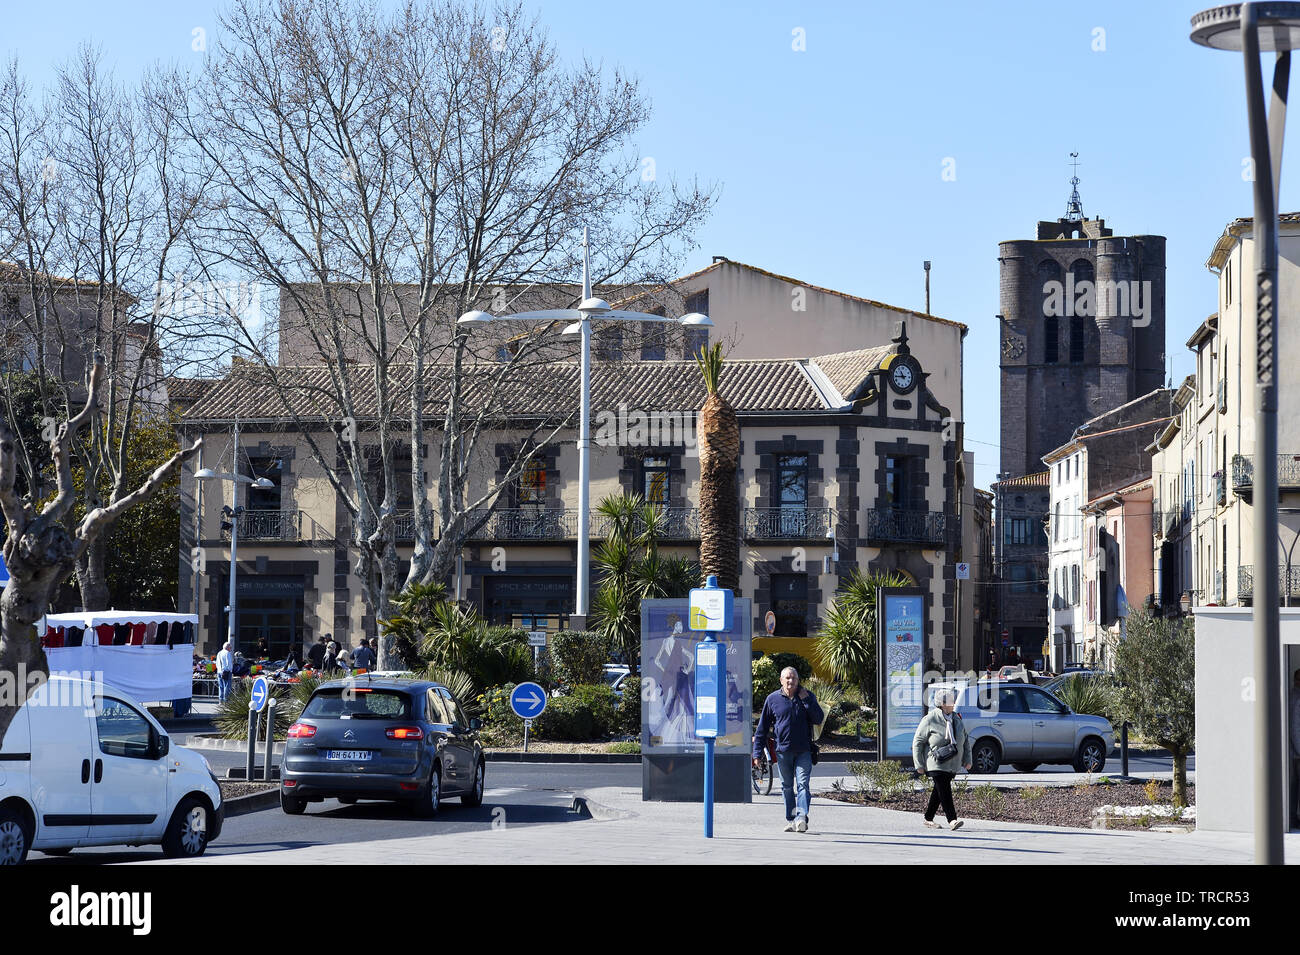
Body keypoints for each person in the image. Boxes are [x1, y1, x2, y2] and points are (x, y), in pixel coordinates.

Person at [752, 666, 823, 833]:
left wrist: (806, 701)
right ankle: (792, 819)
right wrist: (756, 754)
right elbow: (761, 729)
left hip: (804, 750)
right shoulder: (772, 699)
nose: (791, 681)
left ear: (798, 680)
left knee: (803, 784)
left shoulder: (807, 696)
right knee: (786, 786)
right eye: (788, 678)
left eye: (795, 678)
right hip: (783, 751)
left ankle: (801, 817)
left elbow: (818, 718)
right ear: (781, 680)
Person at [913, 688, 973, 830]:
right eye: (951, 701)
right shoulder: (930, 719)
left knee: (938, 790)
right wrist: (919, 764)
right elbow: (918, 741)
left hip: (952, 763)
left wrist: (968, 759)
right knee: (944, 788)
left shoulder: (956, 719)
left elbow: (965, 741)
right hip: (935, 761)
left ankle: (928, 818)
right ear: (942, 703)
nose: (953, 703)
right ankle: (952, 819)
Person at [1291, 669, 1300, 828]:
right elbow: (1294, 727)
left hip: (1295, 750)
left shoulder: (1292, 695)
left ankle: (1293, 816)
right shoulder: (1296, 698)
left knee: (1296, 784)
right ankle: (1293, 817)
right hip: (1297, 751)